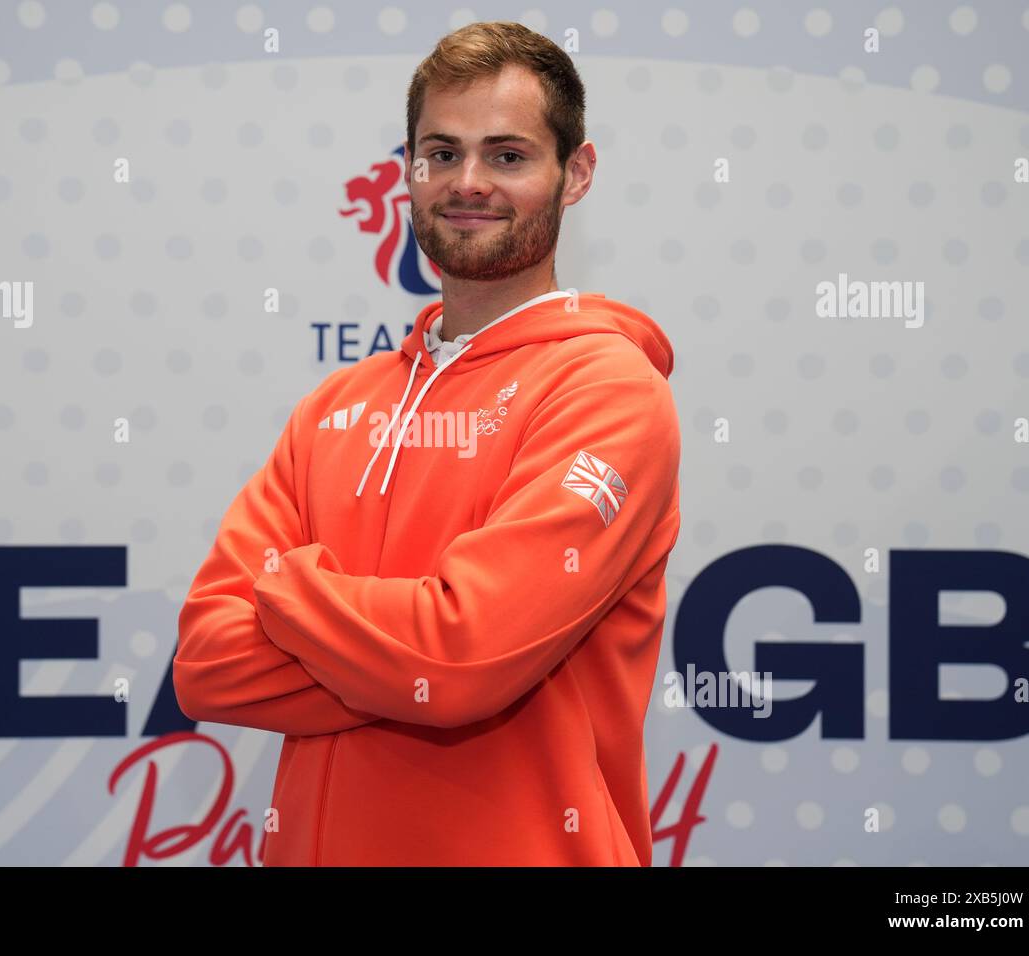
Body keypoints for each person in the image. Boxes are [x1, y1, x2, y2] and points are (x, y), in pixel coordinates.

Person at [175, 20, 681, 866]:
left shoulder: (608, 391)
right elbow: (205, 662)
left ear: (576, 173)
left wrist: (290, 590)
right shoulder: (336, 405)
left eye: (508, 156)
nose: (468, 182)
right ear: (406, 168)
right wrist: (413, 651)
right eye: (441, 153)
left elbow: (461, 659)